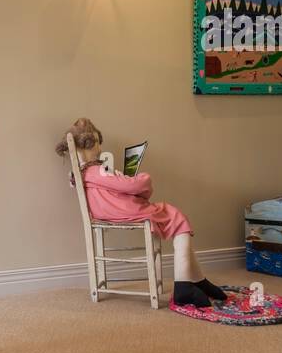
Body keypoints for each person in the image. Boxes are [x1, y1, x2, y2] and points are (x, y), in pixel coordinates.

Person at [56, 118, 225, 308]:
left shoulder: (80, 173)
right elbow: (136, 185)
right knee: (177, 217)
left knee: (174, 217)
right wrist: (140, 177)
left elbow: (111, 187)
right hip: (125, 210)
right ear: (90, 143)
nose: (100, 148)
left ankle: (198, 280)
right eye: (98, 142)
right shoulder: (96, 170)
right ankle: (184, 287)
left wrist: (117, 177)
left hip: (113, 211)